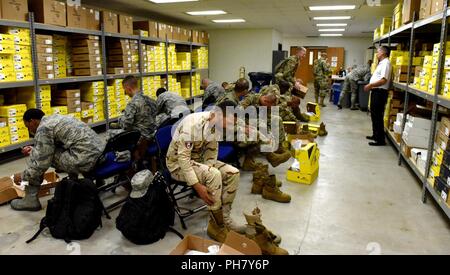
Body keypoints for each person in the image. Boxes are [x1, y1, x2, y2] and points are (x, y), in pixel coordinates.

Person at [166, 100, 242, 242]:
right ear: (219, 115)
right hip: (177, 166)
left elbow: (211, 153)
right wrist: (197, 185)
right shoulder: (192, 125)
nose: (231, 126)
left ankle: (224, 219)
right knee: (214, 174)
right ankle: (216, 226)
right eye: (230, 122)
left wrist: (207, 170)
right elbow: (183, 160)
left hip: (197, 160)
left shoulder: (216, 124)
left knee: (233, 173)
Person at [11, 109, 106, 211]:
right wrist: (36, 148)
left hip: (85, 160)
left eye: (28, 126)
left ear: (32, 121)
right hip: (100, 155)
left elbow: (41, 164)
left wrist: (22, 176)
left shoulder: (43, 128)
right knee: (44, 152)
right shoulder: (57, 118)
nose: (29, 130)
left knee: (39, 158)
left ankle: (31, 200)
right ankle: (95, 181)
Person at [240, 85, 291, 168]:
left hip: (258, 119)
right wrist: (245, 125)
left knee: (277, 119)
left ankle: (279, 146)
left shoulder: (268, 104)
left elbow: (267, 116)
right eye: (270, 105)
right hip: (245, 121)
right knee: (261, 127)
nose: (270, 107)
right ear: (266, 100)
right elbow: (237, 113)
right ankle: (251, 159)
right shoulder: (250, 99)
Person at [115, 75, 157, 161]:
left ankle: (124, 160)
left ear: (128, 88)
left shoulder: (132, 104)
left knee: (111, 134)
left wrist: (120, 118)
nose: (125, 93)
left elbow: (125, 125)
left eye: (125, 90)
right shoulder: (149, 99)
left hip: (140, 138)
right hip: (152, 134)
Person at [364, 47, 392, 146]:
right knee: (374, 114)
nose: (377, 54)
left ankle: (380, 140)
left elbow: (384, 80)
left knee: (377, 116)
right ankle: (375, 135)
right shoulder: (381, 63)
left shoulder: (386, 63)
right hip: (376, 92)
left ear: (384, 53)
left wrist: (371, 85)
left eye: (378, 52)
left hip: (380, 92)